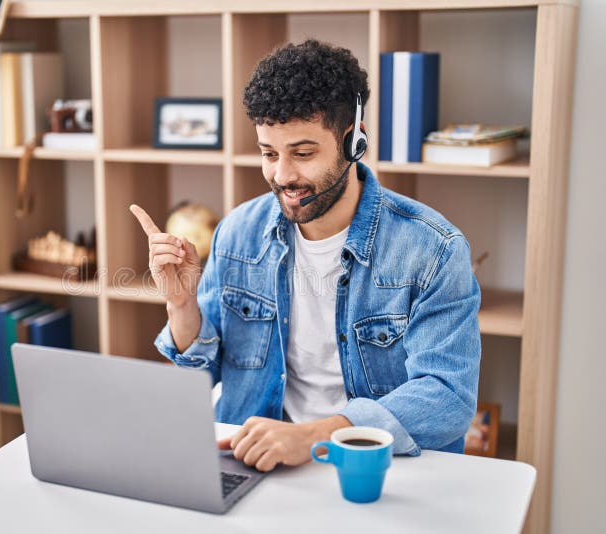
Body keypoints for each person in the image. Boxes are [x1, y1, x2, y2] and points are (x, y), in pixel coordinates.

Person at [130, 39, 480, 472]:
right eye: (268, 153)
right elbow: (204, 374)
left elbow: (446, 396)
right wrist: (181, 305)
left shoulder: (433, 250)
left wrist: (314, 436)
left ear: (354, 141)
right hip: (257, 464)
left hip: (373, 468)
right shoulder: (238, 233)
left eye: (303, 153)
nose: (282, 175)